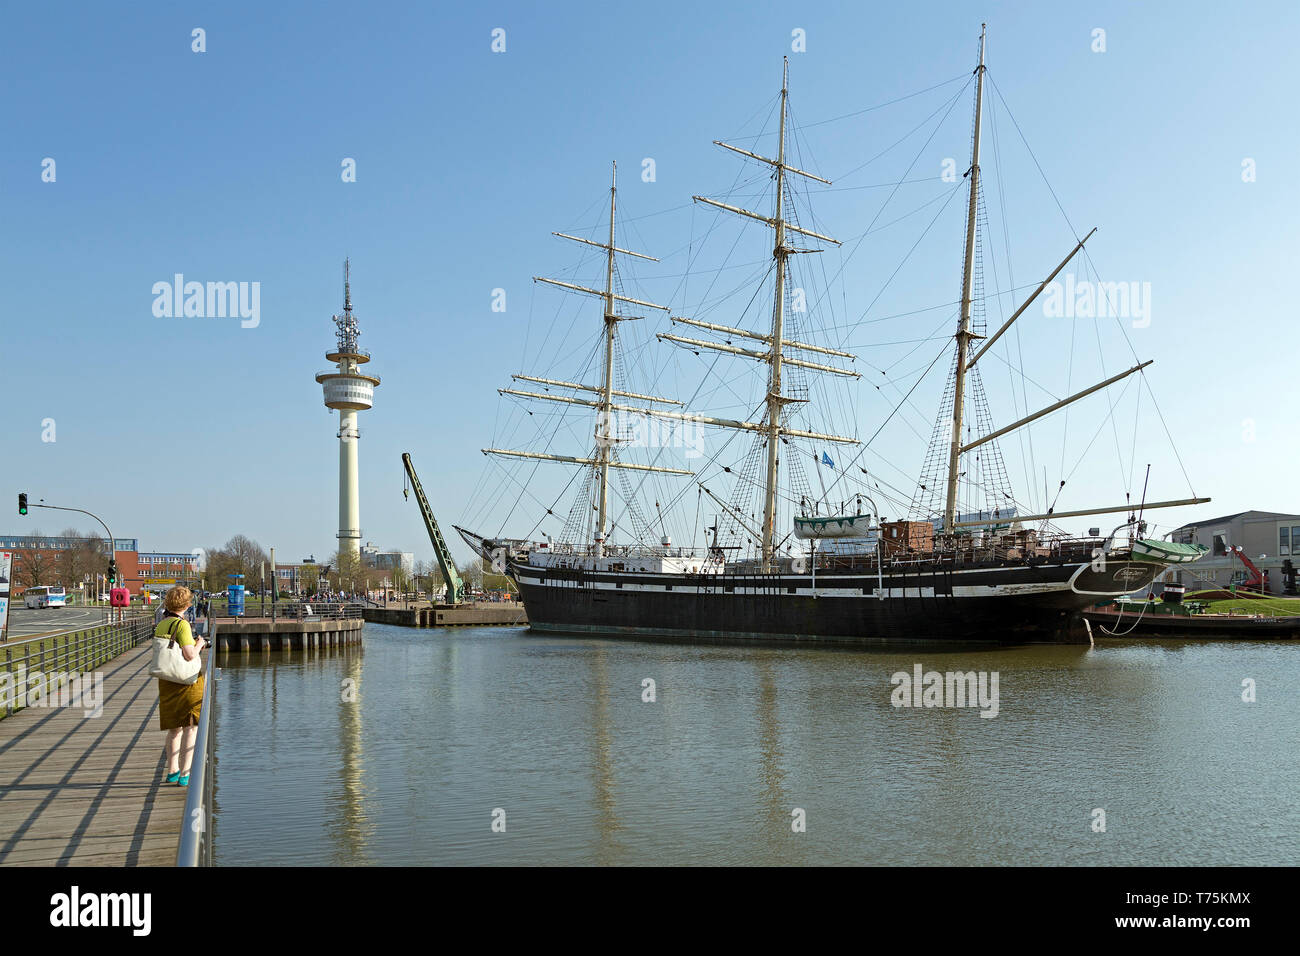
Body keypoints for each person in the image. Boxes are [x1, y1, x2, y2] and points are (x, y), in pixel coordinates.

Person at [155, 585, 208, 787]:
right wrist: (200, 643)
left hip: (167, 680)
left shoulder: (162, 623)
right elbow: (189, 654)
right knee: (190, 728)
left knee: (174, 729)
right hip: (185, 682)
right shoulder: (182, 625)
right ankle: (186, 773)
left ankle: (172, 771)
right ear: (187, 604)